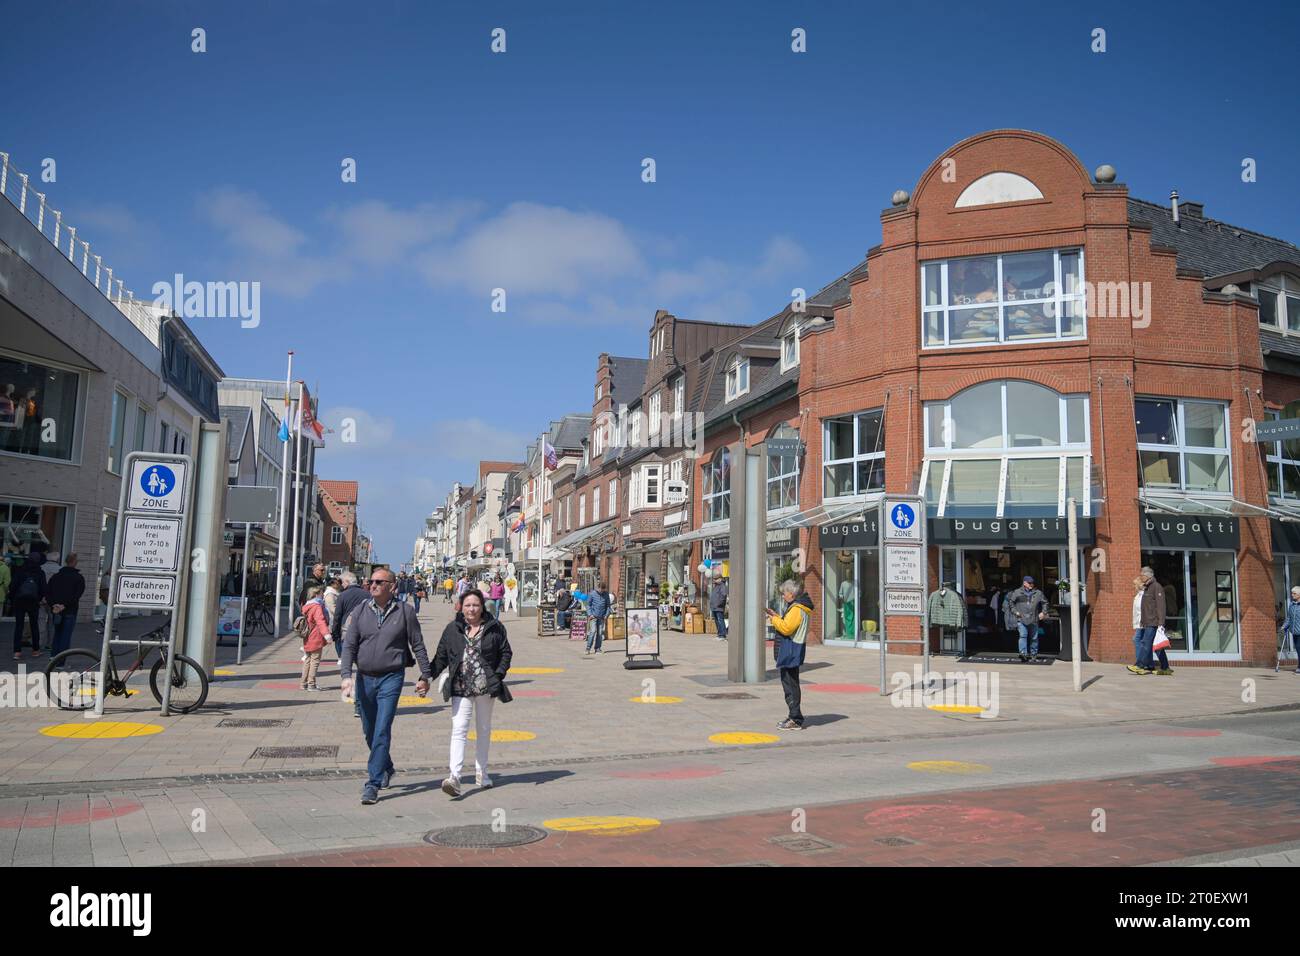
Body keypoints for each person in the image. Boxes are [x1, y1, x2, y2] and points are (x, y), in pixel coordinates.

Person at [339, 567, 432, 805]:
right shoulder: (361, 611)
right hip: (364, 678)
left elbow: (418, 645)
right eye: (371, 581)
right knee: (369, 730)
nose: (373, 585)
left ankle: (373, 783)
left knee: (382, 728)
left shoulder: (405, 612)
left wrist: (425, 675)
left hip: (392, 677)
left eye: (380, 582)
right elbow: (349, 645)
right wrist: (346, 675)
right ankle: (387, 767)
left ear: (392, 587)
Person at [430, 589, 513, 796]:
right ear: (461, 607)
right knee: (459, 729)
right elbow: (441, 656)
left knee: (483, 729)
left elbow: (506, 652)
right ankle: (454, 777)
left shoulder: (494, 627)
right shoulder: (453, 629)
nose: (472, 609)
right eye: (467, 605)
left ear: (482, 606)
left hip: (486, 687)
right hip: (460, 686)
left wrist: (499, 673)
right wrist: (426, 677)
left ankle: (482, 774)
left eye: (475, 605)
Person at [766, 579, 813, 730]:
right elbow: (788, 624)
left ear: (791, 593)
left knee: (790, 685)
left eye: (784, 593)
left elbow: (786, 628)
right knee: (791, 683)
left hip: (791, 649)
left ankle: (795, 719)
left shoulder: (796, 608)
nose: (783, 596)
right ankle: (794, 716)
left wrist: (774, 620)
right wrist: (777, 617)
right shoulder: (799, 607)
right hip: (794, 648)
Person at [331, 571, 370, 716]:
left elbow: (337, 617)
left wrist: (335, 634)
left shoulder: (343, 596)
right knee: (362, 671)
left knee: (350, 669)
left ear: (346, 582)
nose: (340, 585)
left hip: (347, 636)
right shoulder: (367, 595)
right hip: (365, 636)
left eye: (341, 583)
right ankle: (360, 707)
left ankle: (359, 706)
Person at [1130, 574, 1173, 677]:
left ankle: (1140, 665)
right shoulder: (1147, 590)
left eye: (1144, 579)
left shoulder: (1156, 587)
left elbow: (1160, 606)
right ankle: (1165, 667)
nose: (1142, 582)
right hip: (1148, 622)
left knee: (1145, 644)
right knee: (1156, 646)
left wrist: (1161, 623)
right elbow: (1145, 609)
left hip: (1153, 622)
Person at [46, 554, 85, 658]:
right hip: (70, 610)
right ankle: (61, 661)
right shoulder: (78, 578)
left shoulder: (55, 577)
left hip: (56, 610)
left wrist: (54, 605)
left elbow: (48, 593)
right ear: (74, 562)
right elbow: (77, 596)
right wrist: (64, 605)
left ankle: (53, 656)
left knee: (57, 634)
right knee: (65, 636)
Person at [1004, 574, 1048, 662]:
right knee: (1023, 635)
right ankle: (1023, 653)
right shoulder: (1017, 592)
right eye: (1029, 583)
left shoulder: (1038, 593)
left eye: (1032, 583)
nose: (1031, 584)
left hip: (1034, 619)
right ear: (1024, 583)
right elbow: (1011, 603)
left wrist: (1043, 612)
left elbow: (1045, 602)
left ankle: (1033, 654)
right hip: (1021, 618)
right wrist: (1015, 612)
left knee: (1034, 638)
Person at [10, 552, 46, 659]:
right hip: (33, 602)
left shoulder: (20, 570)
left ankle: (17, 652)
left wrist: (13, 599)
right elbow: (43, 589)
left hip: (20, 601)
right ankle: (35, 650)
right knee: (34, 625)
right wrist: (38, 599)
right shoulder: (40, 572)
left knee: (19, 626)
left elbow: (13, 586)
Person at [299, 586, 330, 691]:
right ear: (316, 594)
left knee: (308, 660)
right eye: (322, 594)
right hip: (316, 636)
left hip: (308, 636)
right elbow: (320, 621)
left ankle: (303, 683)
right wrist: (327, 635)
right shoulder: (317, 606)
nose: (323, 596)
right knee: (315, 660)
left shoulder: (307, 605)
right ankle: (311, 684)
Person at [39, 551, 60, 651]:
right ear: (57, 559)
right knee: (52, 623)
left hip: (41, 600)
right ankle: (50, 644)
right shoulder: (60, 570)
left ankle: (39, 643)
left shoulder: (41, 568)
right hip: (53, 601)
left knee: (40, 622)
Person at [586, 580, 611, 655]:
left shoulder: (606, 594)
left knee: (600, 633)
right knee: (593, 631)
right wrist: (590, 614)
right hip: (593, 616)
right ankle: (588, 648)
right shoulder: (592, 594)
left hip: (602, 617)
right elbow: (588, 605)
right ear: (598, 588)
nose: (602, 591)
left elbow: (608, 606)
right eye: (601, 590)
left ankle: (597, 648)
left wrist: (606, 615)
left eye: (603, 590)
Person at [1282, 585, 1300, 676]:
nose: (1292, 595)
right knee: (1298, 649)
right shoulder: (1292, 605)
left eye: (1294, 593)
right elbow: (1289, 618)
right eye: (1292, 593)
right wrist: (1285, 626)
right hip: (1294, 631)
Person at [710, 575, 729, 641]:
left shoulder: (722, 586)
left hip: (719, 607)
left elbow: (723, 596)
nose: (714, 580)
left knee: (720, 620)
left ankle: (722, 635)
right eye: (714, 579)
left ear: (720, 579)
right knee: (717, 621)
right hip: (714, 607)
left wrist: (719, 604)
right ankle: (719, 634)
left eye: (716, 579)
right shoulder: (716, 586)